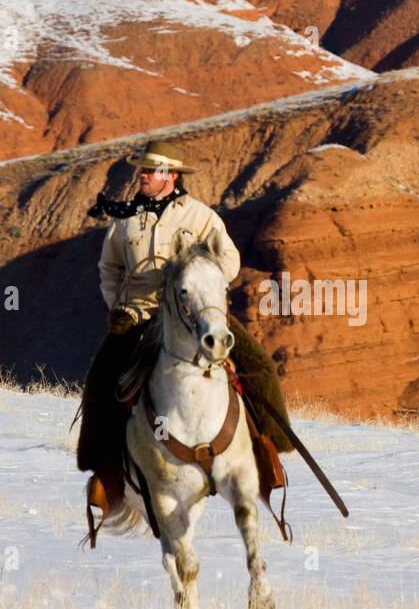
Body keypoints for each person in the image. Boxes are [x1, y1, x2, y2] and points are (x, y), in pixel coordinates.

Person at [75, 139, 291, 513]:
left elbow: (231, 260)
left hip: (193, 315)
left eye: (151, 169)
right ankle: (106, 477)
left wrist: (200, 280)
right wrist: (118, 307)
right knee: (100, 381)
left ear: (171, 176)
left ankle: (268, 456)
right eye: (141, 169)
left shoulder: (201, 218)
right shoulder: (124, 221)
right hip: (139, 314)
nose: (143, 175)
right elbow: (108, 269)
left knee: (259, 366)